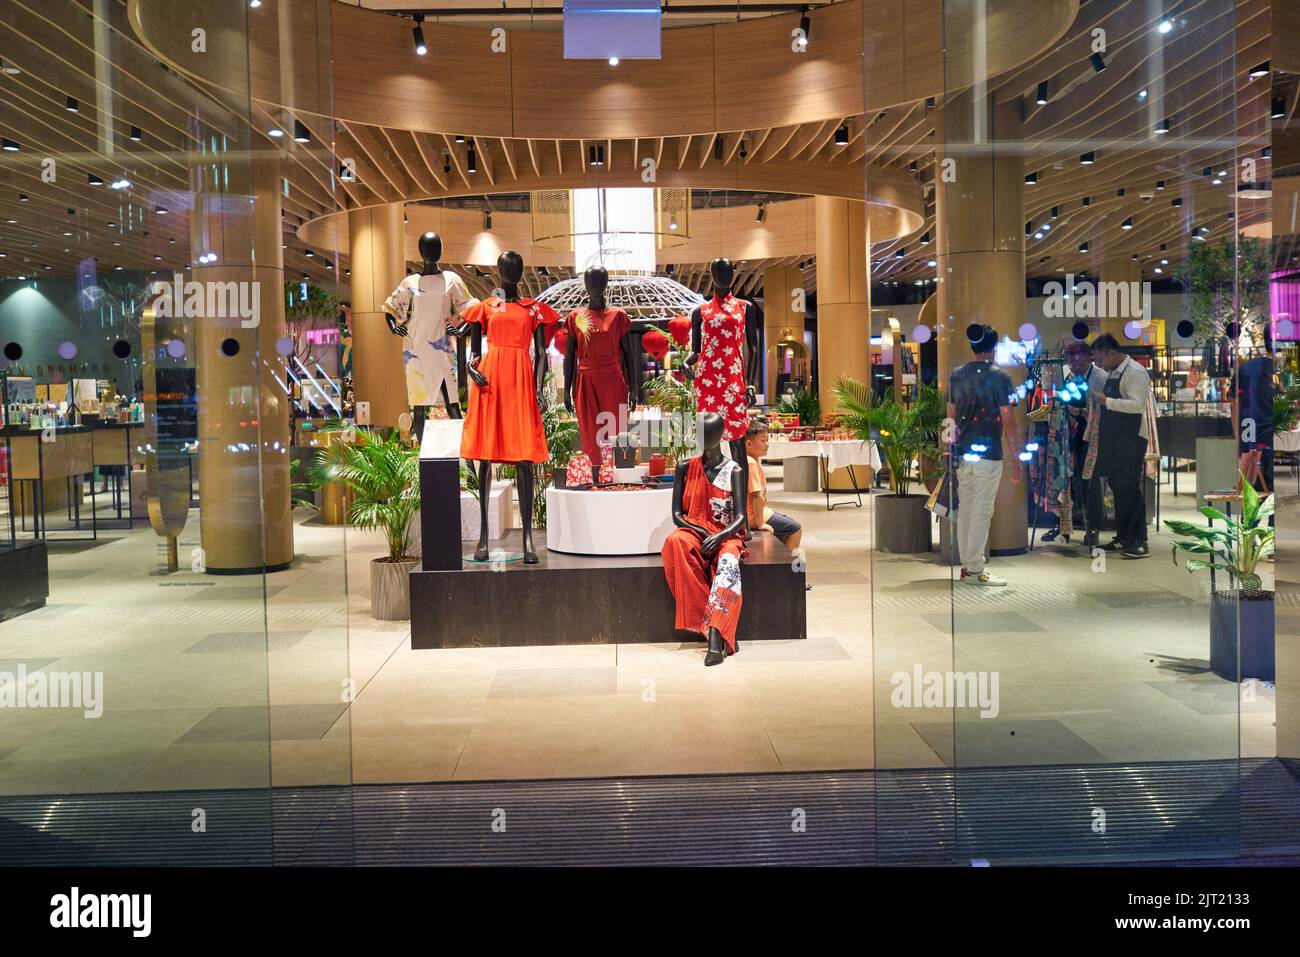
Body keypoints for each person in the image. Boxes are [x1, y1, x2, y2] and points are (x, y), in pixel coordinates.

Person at [947, 325, 1024, 586]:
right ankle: (976, 569)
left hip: (963, 453)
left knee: (967, 508)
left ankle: (968, 566)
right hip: (989, 452)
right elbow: (1009, 420)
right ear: (994, 348)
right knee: (981, 510)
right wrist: (1016, 457)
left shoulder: (957, 375)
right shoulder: (1000, 377)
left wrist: (950, 449)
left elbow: (950, 416)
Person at [1089, 333, 1152, 558]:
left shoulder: (1135, 372)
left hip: (1132, 438)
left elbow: (1138, 406)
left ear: (1112, 353)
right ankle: (1123, 537)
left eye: (1100, 359)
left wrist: (1107, 401)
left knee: (1129, 488)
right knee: (1117, 487)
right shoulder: (1115, 372)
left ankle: (1140, 540)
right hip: (1117, 438)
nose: (1098, 364)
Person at [743, 417, 804, 553]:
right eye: (763, 441)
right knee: (796, 529)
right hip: (754, 516)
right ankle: (787, 568)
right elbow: (756, 496)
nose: (767, 445)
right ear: (749, 444)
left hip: (758, 513)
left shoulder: (751, 460)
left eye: (767, 440)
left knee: (786, 526)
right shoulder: (750, 463)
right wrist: (760, 524)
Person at [1231, 328, 1275, 493]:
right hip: (1276, 439)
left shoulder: (1246, 368)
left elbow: (1234, 404)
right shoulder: (1287, 370)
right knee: (1274, 495)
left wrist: (1238, 440)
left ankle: (1250, 519)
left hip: (1250, 437)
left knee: (1251, 493)